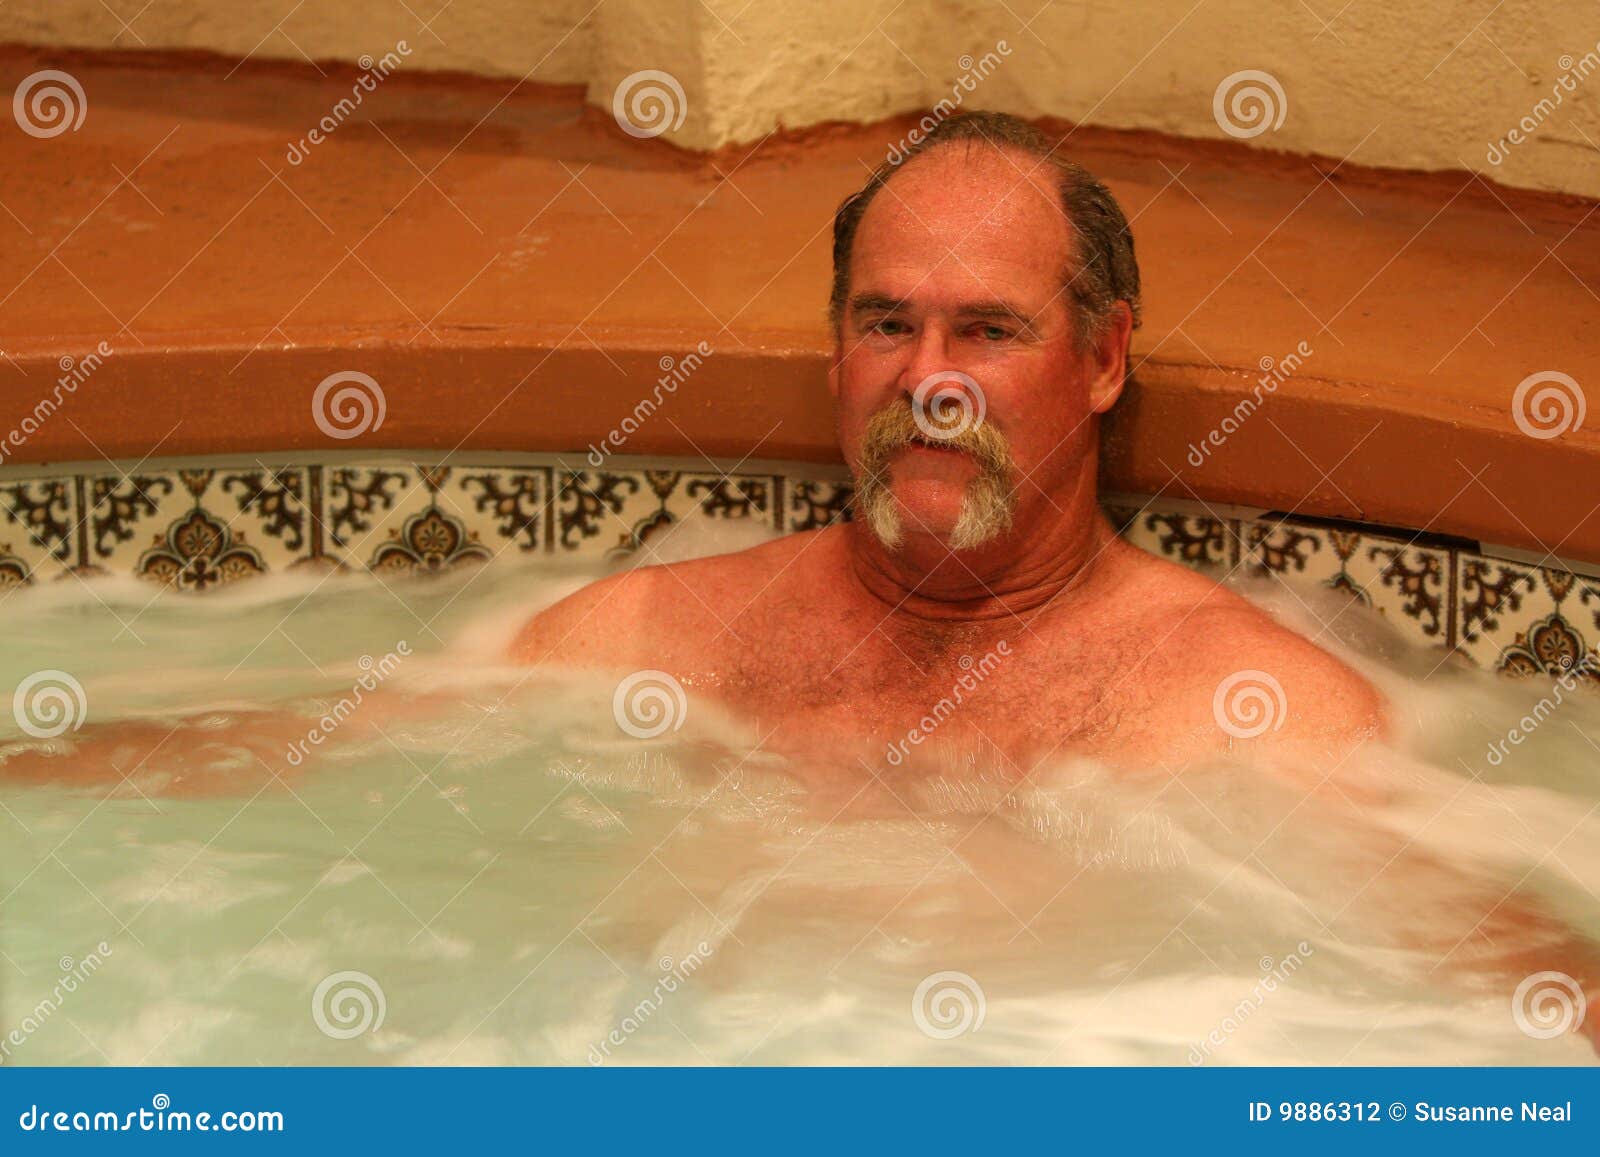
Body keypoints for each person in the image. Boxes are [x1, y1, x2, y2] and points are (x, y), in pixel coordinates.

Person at [513, 110, 1386, 776]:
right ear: (838, 354)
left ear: (1103, 358)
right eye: (888, 324)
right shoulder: (630, 647)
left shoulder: (1261, 718)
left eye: (989, 331)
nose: (931, 381)